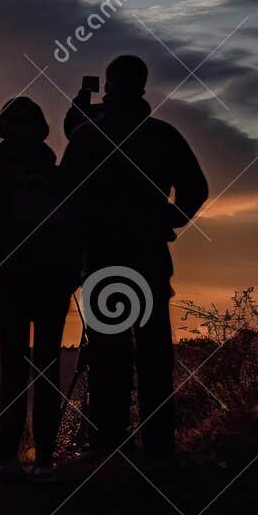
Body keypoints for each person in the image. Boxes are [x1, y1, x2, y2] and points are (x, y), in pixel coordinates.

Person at [59, 55, 207, 461]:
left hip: (104, 260)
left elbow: (65, 197)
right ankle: (159, 444)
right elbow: (195, 189)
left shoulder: (87, 137)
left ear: (108, 85)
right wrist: (168, 221)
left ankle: (109, 442)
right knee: (155, 355)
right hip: (149, 257)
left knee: (109, 355)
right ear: (142, 86)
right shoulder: (162, 135)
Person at [0, 96, 81, 479]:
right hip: (53, 285)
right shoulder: (60, 179)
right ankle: (45, 459)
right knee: (47, 369)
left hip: (10, 286)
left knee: (13, 372)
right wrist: (72, 277)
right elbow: (79, 232)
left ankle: (6, 458)